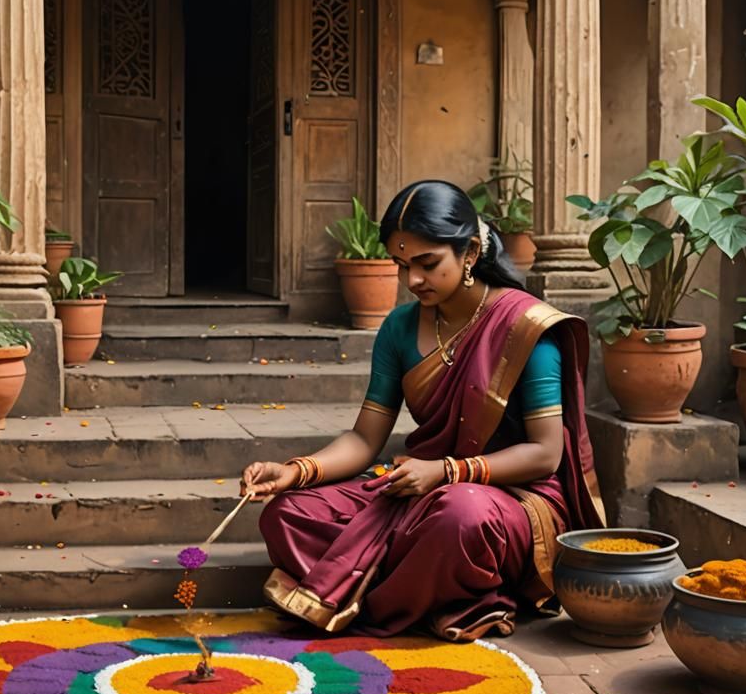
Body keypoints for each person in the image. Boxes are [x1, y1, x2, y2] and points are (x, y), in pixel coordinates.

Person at [241, 179, 605, 642]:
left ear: (470, 252)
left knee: (459, 517)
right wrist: (296, 471)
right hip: (416, 491)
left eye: (428, 264)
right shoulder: (399, 328)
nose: (412, 280)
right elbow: (364, 439)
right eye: (401, 265)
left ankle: (350, 591)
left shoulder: (524, 329)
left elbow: (545, 454)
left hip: (507, 498)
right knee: (286, 515)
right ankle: (428, 590)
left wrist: (448, 472)